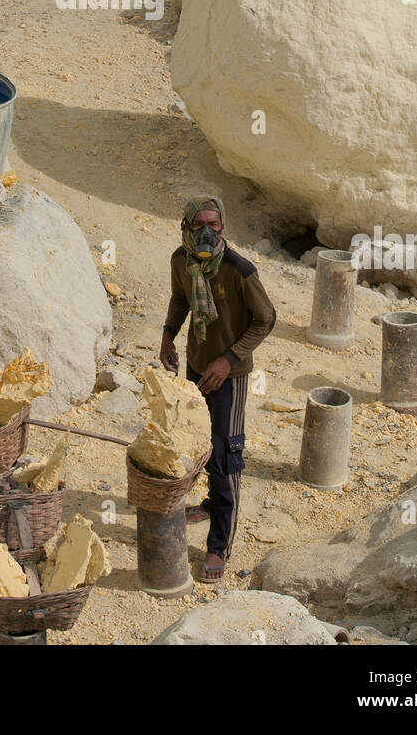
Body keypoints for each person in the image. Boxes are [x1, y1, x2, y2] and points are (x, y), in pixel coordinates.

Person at [159, 196, 276, 583]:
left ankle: (218, 545)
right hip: (196, 365)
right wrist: (168, 337)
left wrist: (228, 359)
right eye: (199, 225)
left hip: (230, 374)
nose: (207, 232)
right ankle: (210, 502)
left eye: (215, 224)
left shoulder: (239, 270)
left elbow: (266, 319)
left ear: (223, 226)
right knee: (200, 442)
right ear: (187, 226)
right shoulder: (181, 260)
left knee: (226, 454)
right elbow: (181, 298)